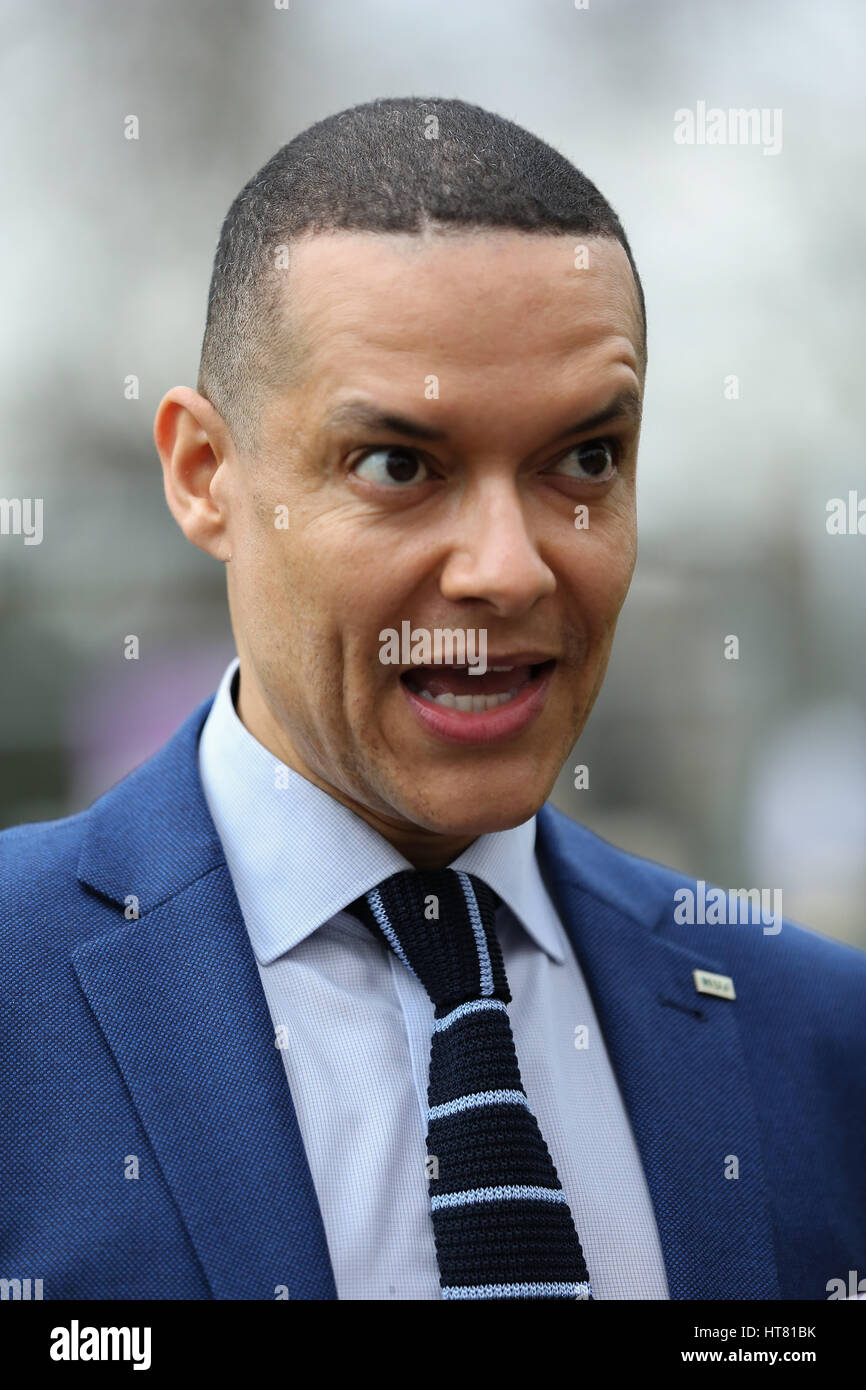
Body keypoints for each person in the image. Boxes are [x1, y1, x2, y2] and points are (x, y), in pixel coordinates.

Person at [2, 97, 863, 1302]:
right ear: (207, 478)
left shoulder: (819, 1040)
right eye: (400, 465)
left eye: (584, 458)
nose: (508, 566)